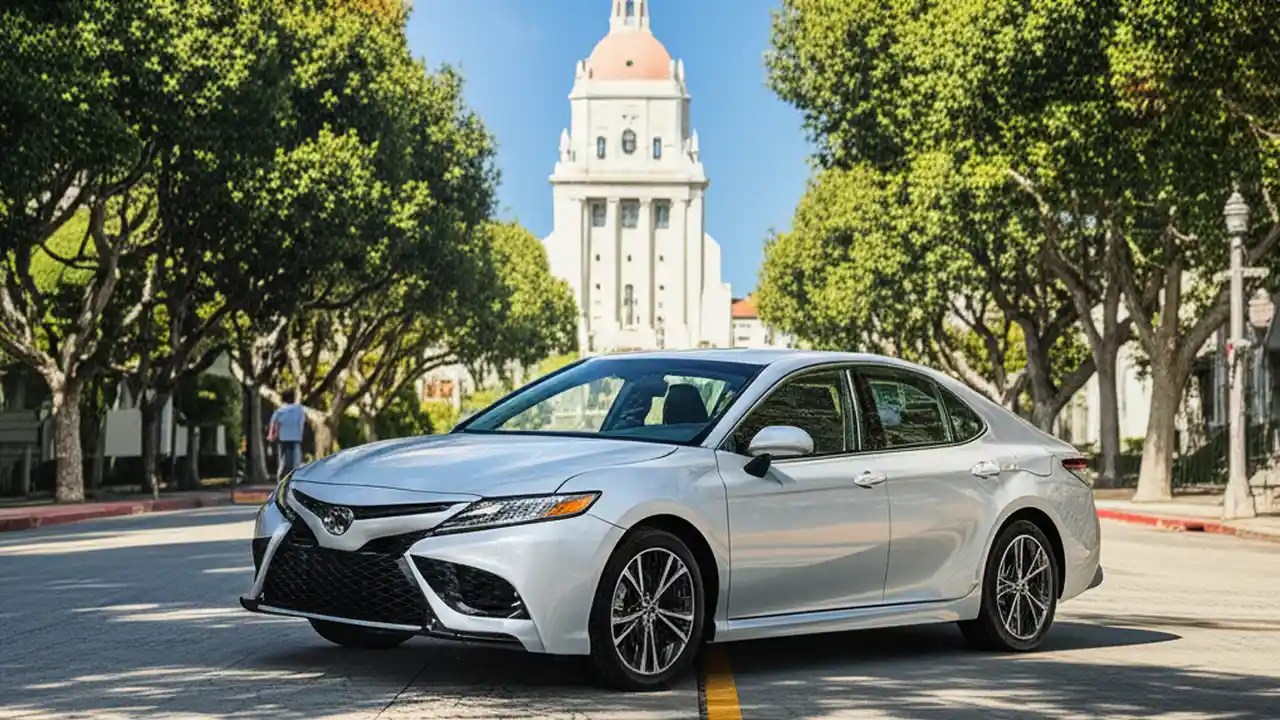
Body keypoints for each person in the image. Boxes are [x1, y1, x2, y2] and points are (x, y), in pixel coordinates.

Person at [268, 390, 306, 481]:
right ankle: (294, 481)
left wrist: (271, 436)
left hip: (283, 439)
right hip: (296, 439)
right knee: (295, 463)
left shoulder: (280, 411)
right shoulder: (299, 410)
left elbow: (273, 423)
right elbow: (301, 424)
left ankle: (281, 480)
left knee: (283, 462)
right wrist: (300, 434)